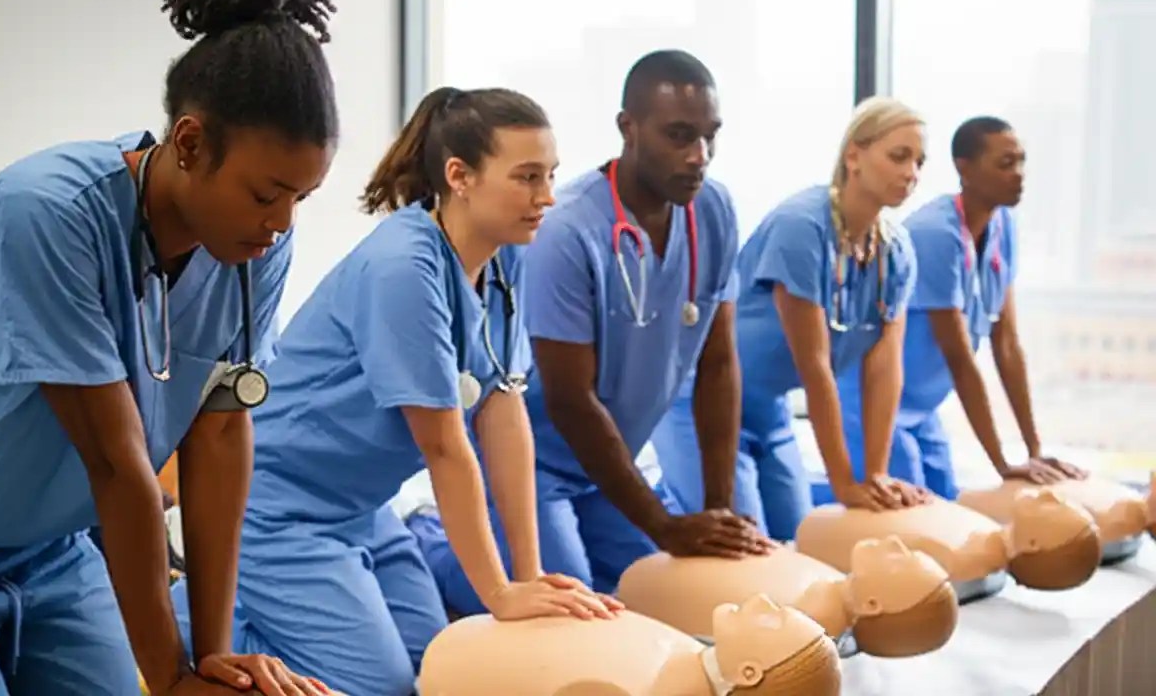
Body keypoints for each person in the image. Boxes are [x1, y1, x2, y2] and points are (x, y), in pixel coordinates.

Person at [0, 0, 340, 695]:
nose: (281, 223)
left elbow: (220, 432)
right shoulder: (49, 212)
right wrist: (171, 679)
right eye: (265, 194)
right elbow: (117, 464)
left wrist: (210, 658)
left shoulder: (255, 244)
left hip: (53, 555)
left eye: (301, 197)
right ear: (190, 143)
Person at [171, 85, 618, 696]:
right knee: (376, 686)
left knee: (433, 664)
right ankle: (186, 615)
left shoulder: (505, 258)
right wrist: (497, 592)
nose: (547, 197)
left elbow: (503, 411)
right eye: (527, 177)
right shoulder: (404, 267)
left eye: (551, 175)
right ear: (459, 176)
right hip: (275, 508)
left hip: (362, 508)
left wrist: (529, 575)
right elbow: (445, 447)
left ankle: (242, 601)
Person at [410, 50, 773, 616]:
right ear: (629, 127)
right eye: (679, 135)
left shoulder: (714, 210)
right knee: (570, 606)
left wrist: (716, 511)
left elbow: (718, 364)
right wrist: (661, 523)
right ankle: (429, 543)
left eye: (710, 136)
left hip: (611, 462)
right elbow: (570, 400)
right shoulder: (568, 230)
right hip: (533, 465)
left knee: (648, 594)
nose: (698, 155)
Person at [654, 96, 931, 542]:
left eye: (919, 161)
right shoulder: (802, 227)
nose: (911, 173)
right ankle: (667, 500)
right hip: (702, 400)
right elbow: (815, 367)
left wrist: (874, 475)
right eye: (899, 156)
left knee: (803, 538)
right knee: (746, 545)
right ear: (854, 156)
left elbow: (884, 369)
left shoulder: (895, 252)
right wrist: (844, 485)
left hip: (768, 409)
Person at [833, 116, 1085, 500]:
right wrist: (1003, 464)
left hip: (922, 408)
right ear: (964, 168)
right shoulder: (936, 234)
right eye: (1005, 164)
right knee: (907, 514)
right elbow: (960, 360)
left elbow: (1006, 343)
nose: (1018, 174)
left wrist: (1034, 451)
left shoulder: (1003, 226)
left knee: (946, 503)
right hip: (870, 401)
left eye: (1021, 162)